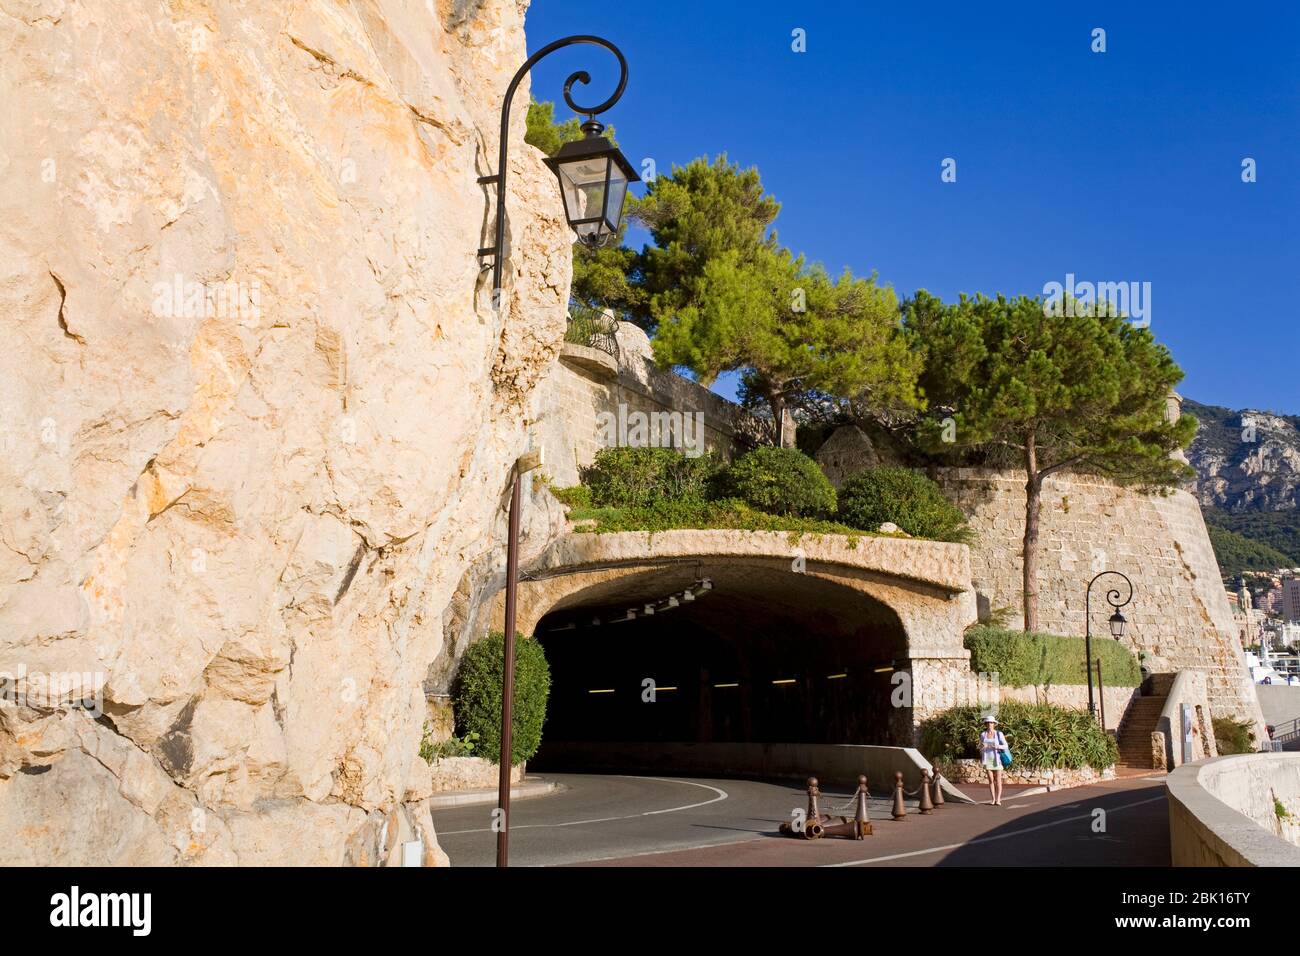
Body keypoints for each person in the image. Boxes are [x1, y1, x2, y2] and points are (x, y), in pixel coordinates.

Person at [979, 714, 1010, 806]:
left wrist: (997, 746)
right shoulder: (983, 734)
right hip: (987, 759)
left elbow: (1006, 746)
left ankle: (998, 799)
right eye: (988, 723)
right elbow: (980, 747)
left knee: (998, 780)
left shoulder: (998, 734)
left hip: (997, 759)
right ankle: (992, 799)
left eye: (991, 723)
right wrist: (982, 747)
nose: (990, 724)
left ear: (994, 724)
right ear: (986, 724)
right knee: (991, 780)